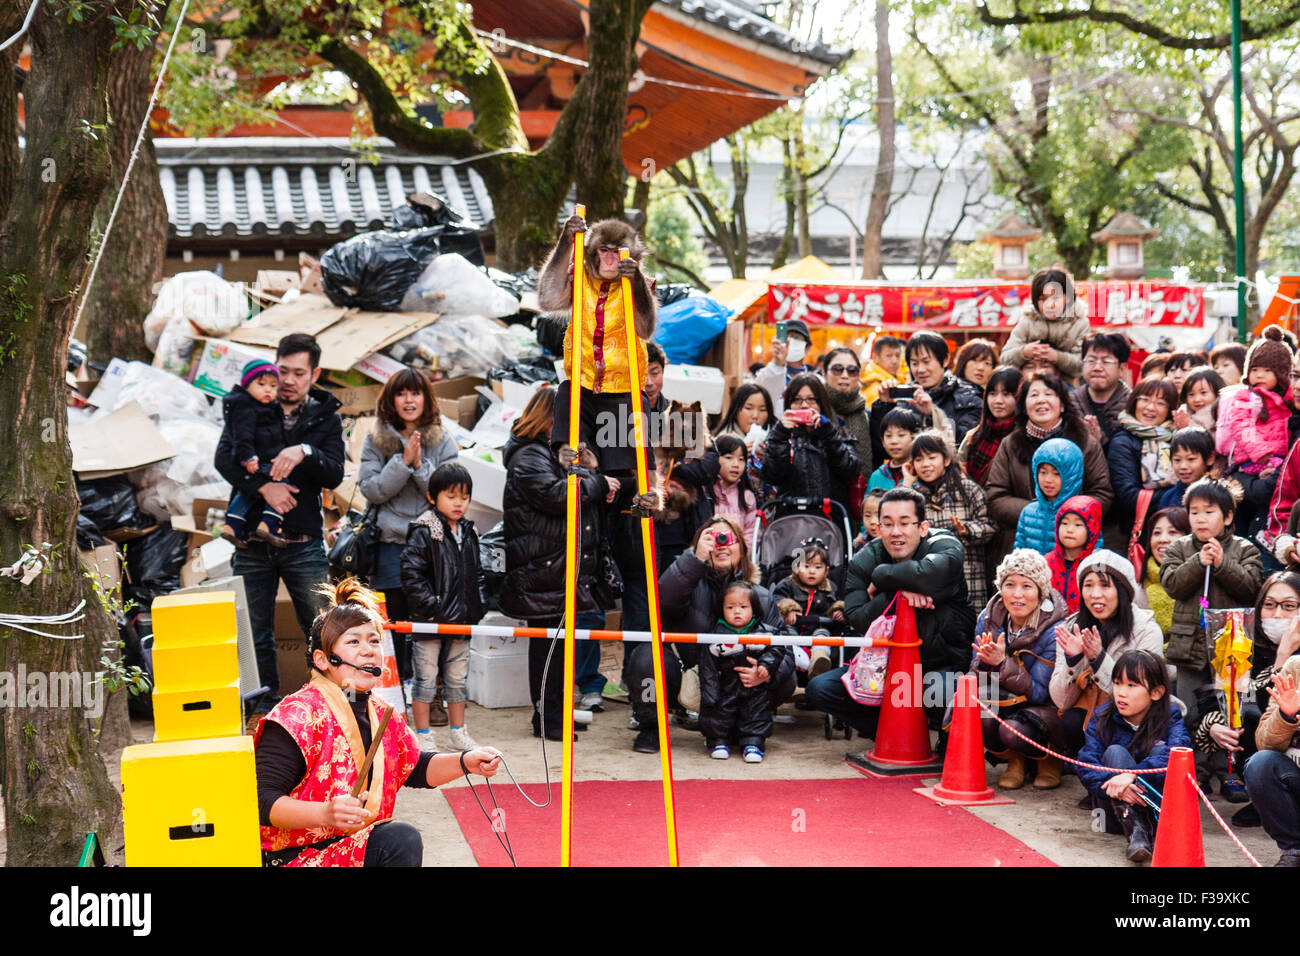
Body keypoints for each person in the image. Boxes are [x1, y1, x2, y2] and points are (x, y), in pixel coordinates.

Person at [254, 579, 502, 867]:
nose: (368, 650)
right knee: (399, 839)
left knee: (396, 839)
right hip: (292, 857)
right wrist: (324, 813)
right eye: (353, 641)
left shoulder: (383, 712)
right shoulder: (296, 715)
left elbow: (415, 768)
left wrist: (465, 762)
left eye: (374, 640)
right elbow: (261, 800)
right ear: (322, 660)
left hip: (348, 846)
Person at [215, 332, 345, 702]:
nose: (287, 381)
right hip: (252, 542)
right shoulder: (251, 404)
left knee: (322, 629)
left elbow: (335, 472)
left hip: (303, 542)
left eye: (298, 373)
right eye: (282, 370)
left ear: (314, 374)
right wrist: (263, 487)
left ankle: (329, 705)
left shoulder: (326, 417)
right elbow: (224, 458)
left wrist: (305, 451)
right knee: (253, 633)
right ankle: (263, 710)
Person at [806, 487, 975, 738]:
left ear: (923, 527)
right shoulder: (864, 559)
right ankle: (886, 732)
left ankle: (946, 738)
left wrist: (883, 576)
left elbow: (931, 574)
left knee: (948, 691)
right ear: (879, 527)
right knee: (820, 689)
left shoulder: (945, 544)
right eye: (888, 524)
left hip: (943, 664)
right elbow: (857, 617)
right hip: (882, 669)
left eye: (905, 523)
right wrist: (896, 595)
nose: (896, 532)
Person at [499, 386, 618, 740]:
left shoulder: (549, 455)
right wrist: (595, 484)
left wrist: (592, 474)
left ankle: (554, 716)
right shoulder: (529, 456)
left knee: (556, 649)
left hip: (556, 567)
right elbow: (557, 496)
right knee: (549, 652)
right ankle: (549, 720)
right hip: (543, 569)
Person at [630, 516, 791, 753]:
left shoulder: (761, 596)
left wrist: (765, 673)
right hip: (691, 677)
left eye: (729, 538)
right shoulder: (686, 584)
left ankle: (741, 726)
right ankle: (651, 727)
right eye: (714, 538)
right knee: (647, 656)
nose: (722, 544)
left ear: (743, 549)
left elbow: (785, 646)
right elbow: (662, 599)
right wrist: (694, 560)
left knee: (784, 671)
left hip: (740, 686)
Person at [358, 367, 460, 703]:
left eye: (415, 393)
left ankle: (429, 697)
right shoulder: (376, 440)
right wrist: (401, 462)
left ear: (426, 398)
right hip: (389, 546)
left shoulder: (442, 440)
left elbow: (448, 492)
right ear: (390, 399)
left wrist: (419, 466)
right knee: (391, 626)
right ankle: (393, 696)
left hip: (431, 545)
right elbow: (372, 490)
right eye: (401, 393)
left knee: (429, 625)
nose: (409, 400)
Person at [1159, 477, 1264, 790]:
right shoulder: (1179, 547)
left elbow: (1251, 588)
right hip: (1189, 645)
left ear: (1228, 516)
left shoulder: (1245, 549)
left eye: (1209, 512)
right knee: (1192, 710)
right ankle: (1198, 772)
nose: (1200, 519)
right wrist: (1197, 561)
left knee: (1230, 709)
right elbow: (1172, 584)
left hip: (1232, 645)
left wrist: (1222, 563)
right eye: (1194, 512)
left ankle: (1229, 770)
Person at [1197, 570, 1300, 819]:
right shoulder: (1242, 645)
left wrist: (1284, 657)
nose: (1277, 615)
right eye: (1269, 605)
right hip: (1260, 754)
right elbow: (1221, 700)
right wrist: (1214, 726)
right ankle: (1267, 800)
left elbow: (1275, 707)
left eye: (1289, 607)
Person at [400, 463, 487, 751]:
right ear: (432, 497)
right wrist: (432, 606)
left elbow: (479, 574)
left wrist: (478, 605)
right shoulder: (425, 531)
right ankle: (423, 736)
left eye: (464, 496)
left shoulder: (469, 531)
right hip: (430, 621)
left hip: (462, 619)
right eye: (451, 496)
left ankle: (458, 733)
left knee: (457, 680)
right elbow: (411, 575)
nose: (459, 502)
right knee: (425, 679)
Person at [1076, 650, 1190, 864]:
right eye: (1118, 683)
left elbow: (1179, 753)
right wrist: (1118, 784)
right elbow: (1085, 764)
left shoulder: (1170, 716)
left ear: (1156, 692)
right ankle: (1138, 832)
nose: (1121, 693)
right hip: (1110, 815)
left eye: (1132, 686)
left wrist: (1134, 776)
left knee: (1162, 751)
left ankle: (1140, 833)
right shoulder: (1103, 716)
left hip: (1156, 812)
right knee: (1115, 752)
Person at [985, 373, 1112, 561]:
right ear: (1024, 406)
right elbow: (996, 496)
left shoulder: (1085, 442)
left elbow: (1103, 494)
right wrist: (1037, 513)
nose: (1041, 400)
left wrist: (1067, 514)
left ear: (1062, 405)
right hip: (1025, 541)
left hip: (1074, 546)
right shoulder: (1010, 444)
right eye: (1034, 395)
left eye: (1049, 394)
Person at [1050, 551, 1166, 755]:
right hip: (1090, 711)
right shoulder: (1071, 627)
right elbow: (1061, 701)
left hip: (1137, 719)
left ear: (1122, 591)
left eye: (1105, 585)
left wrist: (1099, 658)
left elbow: (1142, 696)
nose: (1095, 594)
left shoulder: (1147, 629)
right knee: (1070, 722)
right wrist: (1074, 660)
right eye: (1088, 585)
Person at [970, 549, 1068, 789]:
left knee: (1013, 731)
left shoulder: (1054, 629)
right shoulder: (988, 618)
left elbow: (1040, 692)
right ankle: (1015, 762)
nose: (1017, 595)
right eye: (1010, 584)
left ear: (1040, 592)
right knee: (974, 710)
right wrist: (985, 663)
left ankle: (1049, 760)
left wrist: (1002, 663)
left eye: (1027, 586)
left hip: (1043, 708)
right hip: (1005, 699)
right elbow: (975, 675)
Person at [1217, 326, 1294, 537]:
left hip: (1277, 461)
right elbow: (1241, 426)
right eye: (1255, 370)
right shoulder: (1247, 397)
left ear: (1281, 373)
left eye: (1267, 370)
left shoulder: (1289, 399)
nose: (1259, 375)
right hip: (1253, 461)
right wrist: (1260, 453)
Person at [702, 580, 787, 763]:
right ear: (721, 609)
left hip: (755, 687)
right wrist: (710, 693)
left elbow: (778, 649)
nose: (737, 611)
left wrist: (766, 665)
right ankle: (718, 741)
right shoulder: (715, 636)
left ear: (754, 609)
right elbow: (707, 666)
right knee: (719, 712)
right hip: (726, 685)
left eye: (743, 606)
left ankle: (753, 743)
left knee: (756, 712)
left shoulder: (766, 633)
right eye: (730, 607)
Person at [909, 430, 996, 609]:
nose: (925, 464)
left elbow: (991, 525)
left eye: (932, 457)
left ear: (946, 460)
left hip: (969, 577)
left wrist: (967, 529)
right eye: (919, 460)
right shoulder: (913, 497)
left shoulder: (968, 490)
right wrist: (905, 484)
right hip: (929, 582)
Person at [762, 373, 861, 515]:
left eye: (811, 400)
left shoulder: (838, 434)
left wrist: (828, 433)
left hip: (830, 519)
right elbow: (772, 475)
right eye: (797, 400)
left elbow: (851, 470)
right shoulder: (780, 436)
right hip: (791, 520)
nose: (804, 405)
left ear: (821, 403)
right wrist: (780, 436)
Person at [221, 360, 290, 546]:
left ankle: (233, 524)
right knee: (281, 481)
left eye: (273, 386)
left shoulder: (260, 407)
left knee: (247, 491)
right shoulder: (246, 407)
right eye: (261, 384)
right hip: (259, 459)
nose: (268, 390)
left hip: (258, 459)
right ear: (246, 385)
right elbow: (242, 436)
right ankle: (270, 523)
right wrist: (248, 457)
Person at [1107, 378, 1178, 536]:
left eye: (1161, 403)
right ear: (1134, 402)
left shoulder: (1176, 436)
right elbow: (1129, 496)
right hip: (1138, 529)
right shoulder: (1123, 441)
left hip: (1175, 526)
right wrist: (1179, 493)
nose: (1151, 408)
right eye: (1144, 400)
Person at [999, 267, 1091, 382]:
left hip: (1068, 385)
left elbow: (1082, 365)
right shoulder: (1028, 320)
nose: (1050, 305)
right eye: (1043, 299)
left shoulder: (1080, 323)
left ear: (1067, 298)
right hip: (1030, 384)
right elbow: (1005, 358)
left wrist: (1058, 357)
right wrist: (1024, 352)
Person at [773, 539, 844, 678]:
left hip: (818, 629)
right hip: (794, 628)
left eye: (818, 567)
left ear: (826, 570)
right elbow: (776, 598)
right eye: (806, 566)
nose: (812, 571)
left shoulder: (830, 589)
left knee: (823, 636)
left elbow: (836, 603)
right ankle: (796, 661)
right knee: (786, 637)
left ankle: (819, 660)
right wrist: (788, 609)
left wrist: (837, 611)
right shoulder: (788, 584)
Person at [822, 345, 874, 504]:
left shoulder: (868, 416)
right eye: (837, 369)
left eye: (852, 371)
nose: (845, 375)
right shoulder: (816, 412)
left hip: (860, 503)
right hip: (823, 502)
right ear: (824, 373)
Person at [1014, 438, 1084, 555]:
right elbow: (1018, 556)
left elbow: (1092, 560)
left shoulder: (1083, 512)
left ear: (1071, 476)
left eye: (1056, 474)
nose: (1048, 480)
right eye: (1043, 472)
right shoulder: (1028, 512)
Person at [957, 365, 1022, 486]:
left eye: (1006, 394)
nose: (998, 400)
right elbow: (958, 475)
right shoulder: (975, 437)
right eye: (992, 393)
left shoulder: (1024, 439)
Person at [1069, 333, 1132, 455]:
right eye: (1091, 360)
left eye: (1106, 361)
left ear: (1122, 368)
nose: (1097, 367)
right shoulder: (1068, 404)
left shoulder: (1133, 407)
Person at [1136, 506, 1189, 634]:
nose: (1163, 539)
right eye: (1157, 533)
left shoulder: (1204, 582)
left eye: (1172, 532)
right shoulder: (1137, 591)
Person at [1046, 494, 1103, 613]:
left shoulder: (1098, 564)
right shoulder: (1046, 562)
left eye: (1078, 525)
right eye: (1064, 523)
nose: (1070, 530)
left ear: (1092, 529)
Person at [756, 318, 815, 417]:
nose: (790, 342)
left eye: (796, 337)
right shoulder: (767, 374)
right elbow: (762, 396)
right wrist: (778, 364)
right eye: (786, 337)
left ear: (807, 347)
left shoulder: (817, 380)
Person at [710, 434, 758, 549]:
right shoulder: (706, 493)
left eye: (741, 459)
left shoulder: (747, 497)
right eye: (728, 457)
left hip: (738, 560)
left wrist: (740, 553)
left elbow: (751, 533)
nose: (736, 464)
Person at [1156, 426, 1215, 511]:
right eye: (1177, 460)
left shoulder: (1219, 495)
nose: (1183, 466)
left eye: (1191, 459)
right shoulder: (1168, 497)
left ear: (1210, 458)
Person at [868, 406, 923, 493]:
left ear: (914, 437)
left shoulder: (922, 471)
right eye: (888, 436)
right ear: (882, 441)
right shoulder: (877, 476)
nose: (894, 441)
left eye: (901, 435)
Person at [859, 334, 907, 408]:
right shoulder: (876, 388)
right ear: (875, 358)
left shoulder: (899, 380)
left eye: (897, 355)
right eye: (889, 355)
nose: (895, 361)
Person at [1173, 367, 1225, 433]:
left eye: (1203, 393)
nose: (1197, 399)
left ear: (1217, 392)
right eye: (1191, 394)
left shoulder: (1223, 417)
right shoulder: (1183, 414)